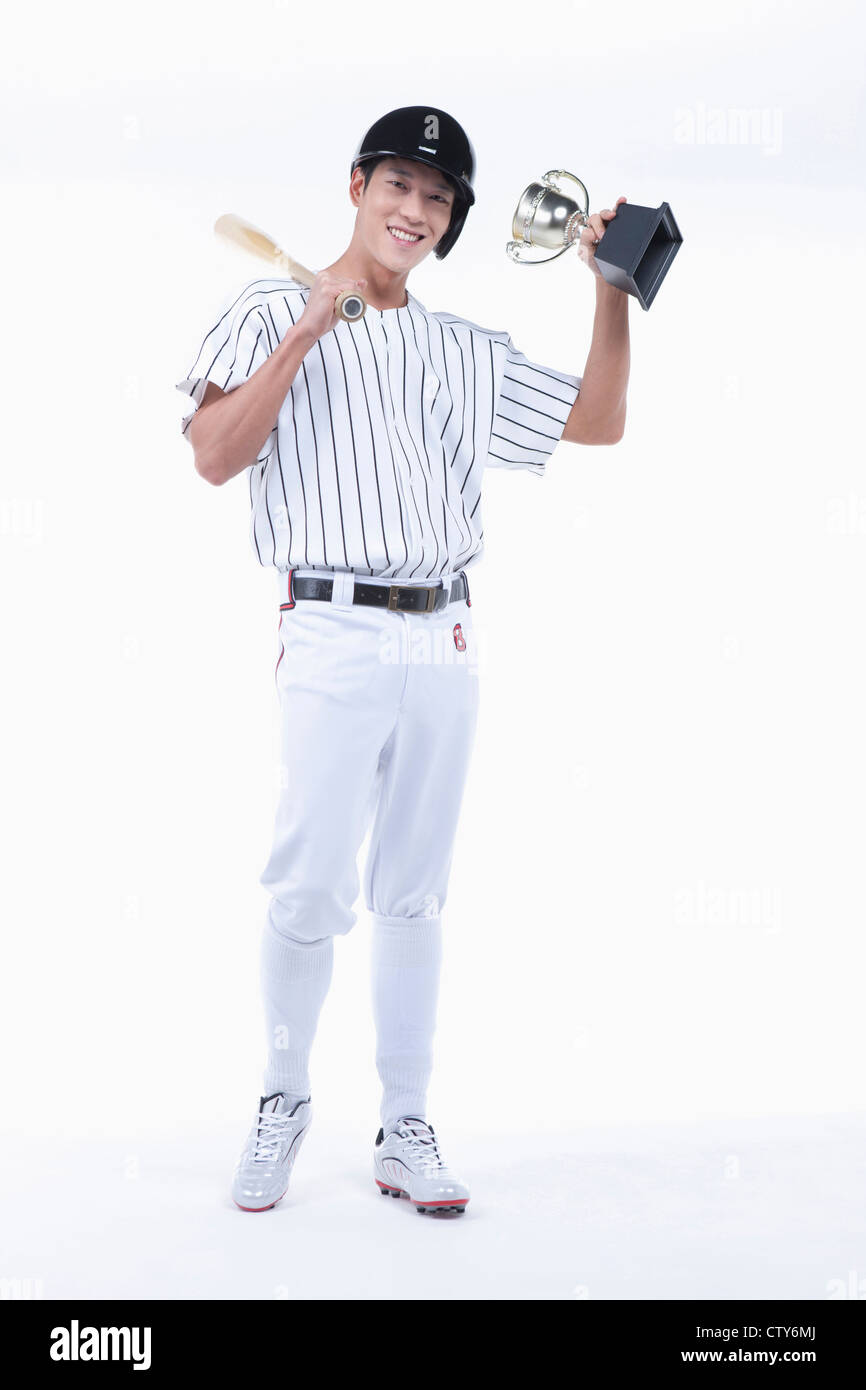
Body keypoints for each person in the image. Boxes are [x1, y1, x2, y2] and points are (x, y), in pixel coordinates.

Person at [176, 105, 630, 1216]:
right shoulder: (267, 305)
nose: (414, 212)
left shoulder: (455, 347)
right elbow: (211, 457)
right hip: (330, 627)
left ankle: (404, 1122)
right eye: (399, 186)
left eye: (437, 199)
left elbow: (599, 422)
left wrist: (609, 287)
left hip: (446, 632)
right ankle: (282, 1099)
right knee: (308, 889)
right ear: (356, 187)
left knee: (414, 896)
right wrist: (301, 336)